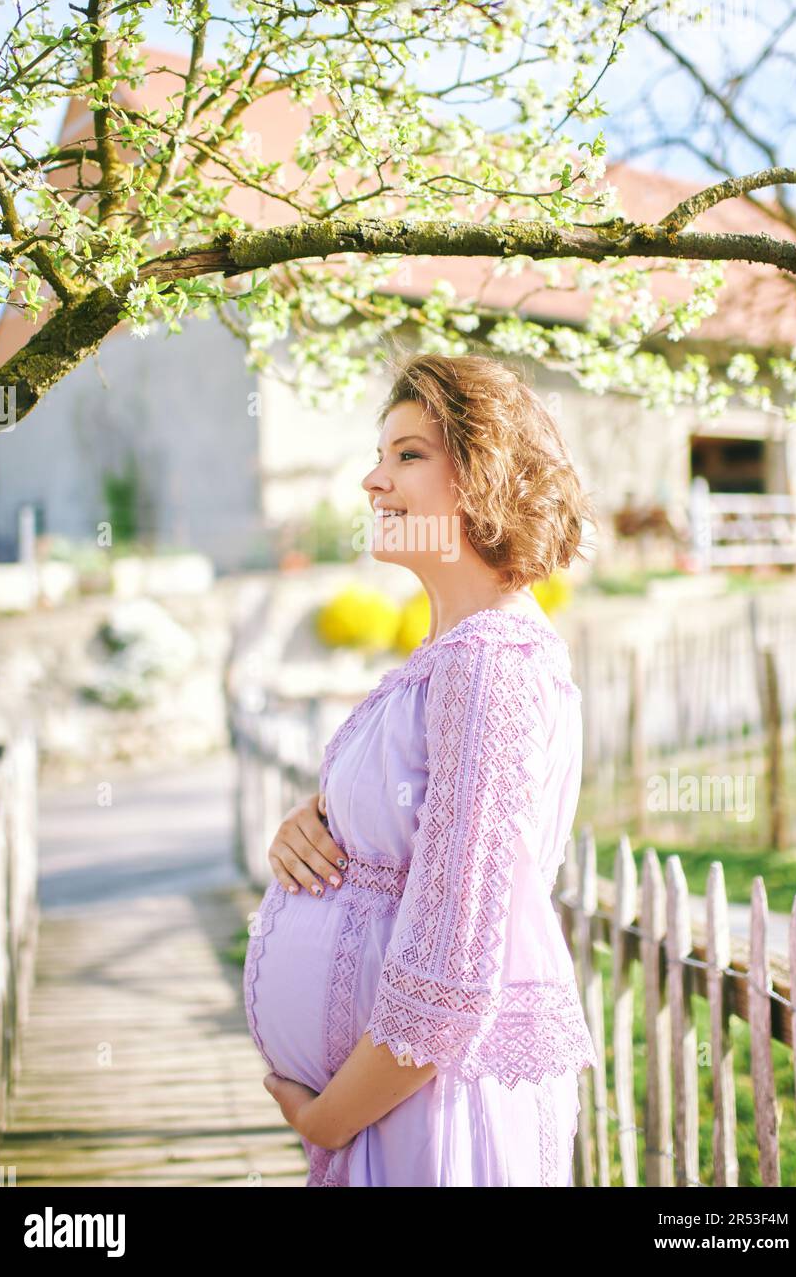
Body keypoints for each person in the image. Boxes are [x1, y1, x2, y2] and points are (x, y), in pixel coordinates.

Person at [244, 350, 599, 1186]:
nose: (373, 481)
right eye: (379, 455)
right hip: (404, 1111)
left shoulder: (492, 666)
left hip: (444, 1117)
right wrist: (313, 821)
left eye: (408, 454)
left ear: (483, 477)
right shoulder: (447, 657)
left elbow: (450, 971)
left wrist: (325, 1119)